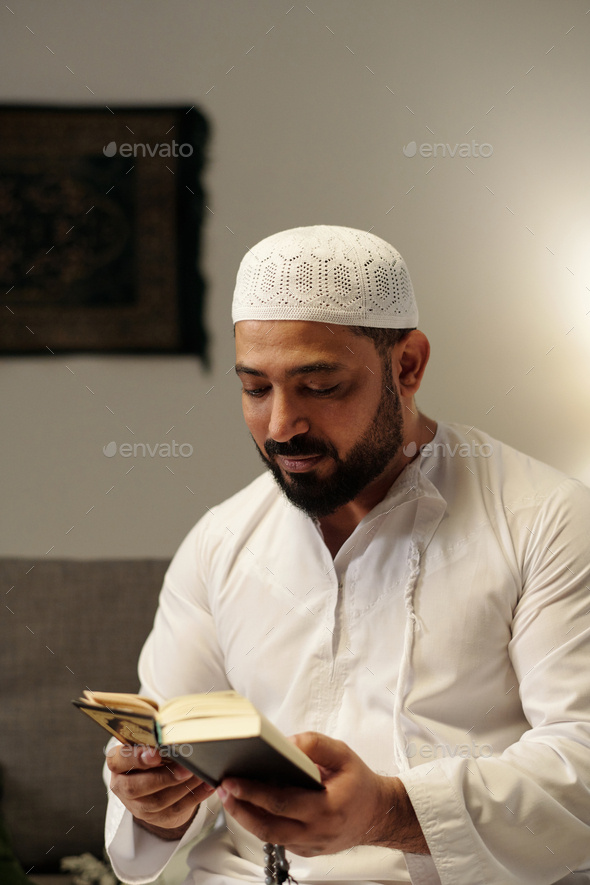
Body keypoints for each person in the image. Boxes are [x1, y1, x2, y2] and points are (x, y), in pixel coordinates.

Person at [103, 226, 590, 885]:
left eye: (320, 386)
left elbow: (581, 769)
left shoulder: (547, 520)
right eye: (255, 388)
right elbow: (165, 744)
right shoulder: (221, 539)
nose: (280, 426)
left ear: (407, 366)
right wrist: (151, 802)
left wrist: (390, 812)